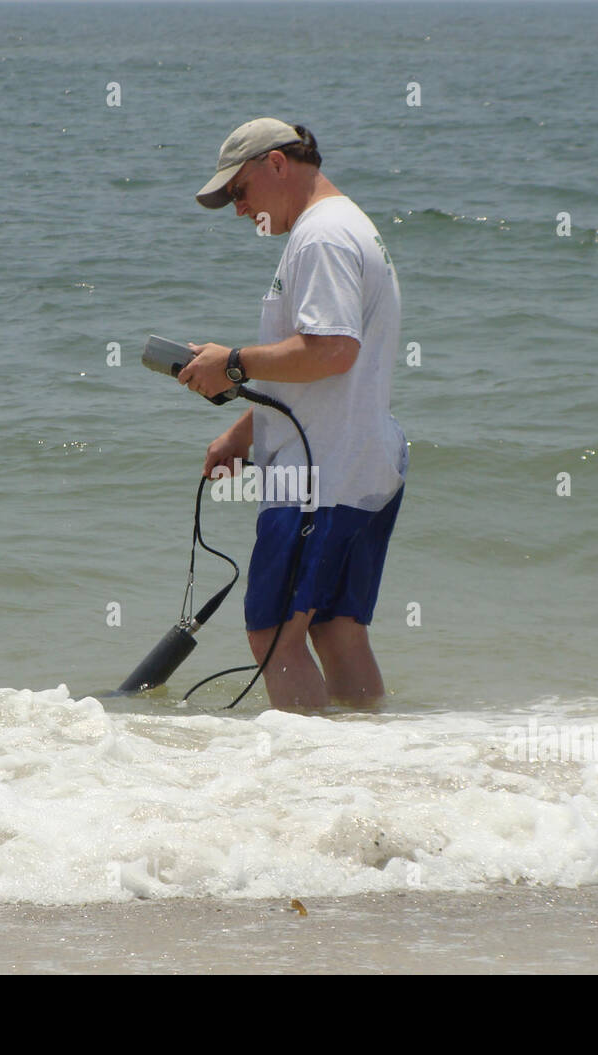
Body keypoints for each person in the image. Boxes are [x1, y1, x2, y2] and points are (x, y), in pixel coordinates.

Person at [178, 117, 407, 711]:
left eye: (239, 191)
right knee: (335, 629)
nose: (237, 209)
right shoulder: (347, 225)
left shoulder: (321, 236)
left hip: (319, 475)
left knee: (274, 633)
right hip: (362, 463)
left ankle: (311, 785)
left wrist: (231, 363)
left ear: (277, 165)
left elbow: (332, 351)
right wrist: (244, 431)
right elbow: (330, 371)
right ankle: (370, 760)